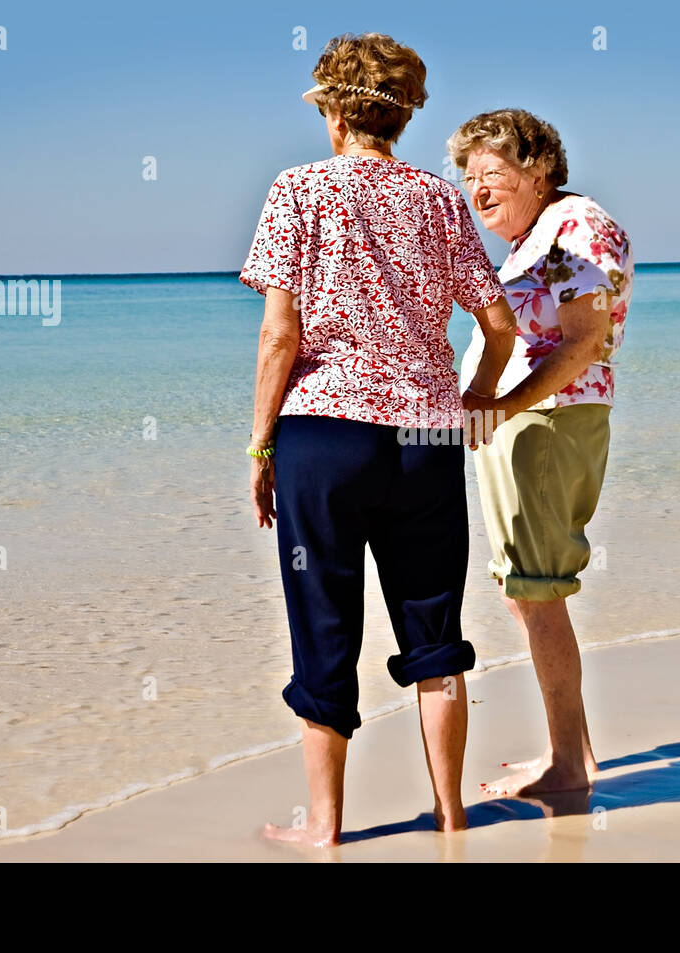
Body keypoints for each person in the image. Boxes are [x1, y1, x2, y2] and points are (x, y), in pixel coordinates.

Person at [240, 34, 517, 845]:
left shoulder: (298, 190)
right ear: (400, 116)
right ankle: (453, 810)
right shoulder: (437, 198)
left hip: (324, 436)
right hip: (425, 433)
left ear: (333, 113)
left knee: (324, 622)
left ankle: (325, 826)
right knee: (434, 630)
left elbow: (278, 338)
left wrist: (260, 449)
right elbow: (496, 326)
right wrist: (469, 400)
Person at [449, 109, 633, 796]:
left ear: (540, 169)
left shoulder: (576, 225)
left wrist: (502, 406)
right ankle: (573, 752)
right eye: (469, 178)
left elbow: (587, 340)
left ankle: (565, 764)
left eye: (492, 174)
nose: (477, 190)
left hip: (550, 422)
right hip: (529, 423)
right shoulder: (535, 238)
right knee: (524, 589)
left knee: (537, 590)